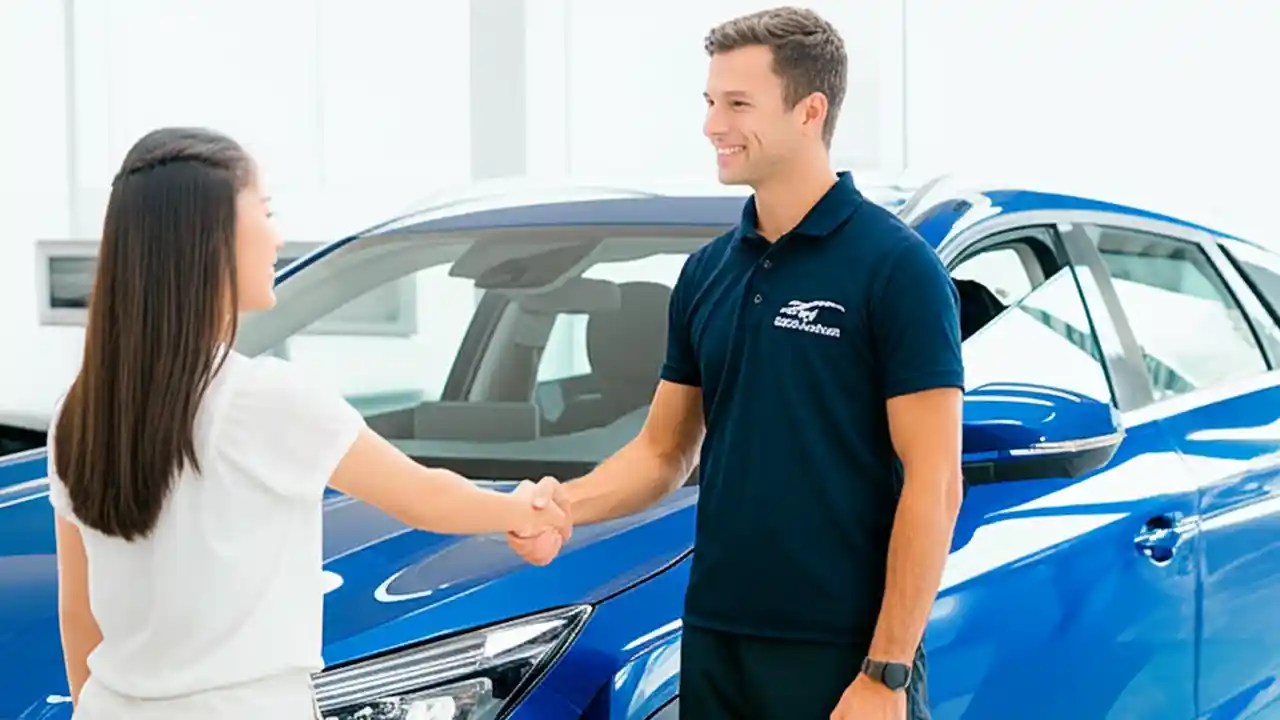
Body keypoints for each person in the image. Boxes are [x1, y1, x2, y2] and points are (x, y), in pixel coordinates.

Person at [508, 7, 964, 720]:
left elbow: (935, 484)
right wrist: (566, 508)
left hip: (841, 652)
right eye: (710, 102)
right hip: (717, 643)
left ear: (809, 111)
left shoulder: (895, 269)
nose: (713, 124)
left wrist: (886, 672)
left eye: (738, 104)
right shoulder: (707, 273)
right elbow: (664, 451)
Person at [48, 127, 571, 719]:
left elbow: (79, 611)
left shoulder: (82, 409)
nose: (278, 235)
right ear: (212, 238)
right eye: (265, 211)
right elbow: (422, 496)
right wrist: (523, 511)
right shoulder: (262, 398)